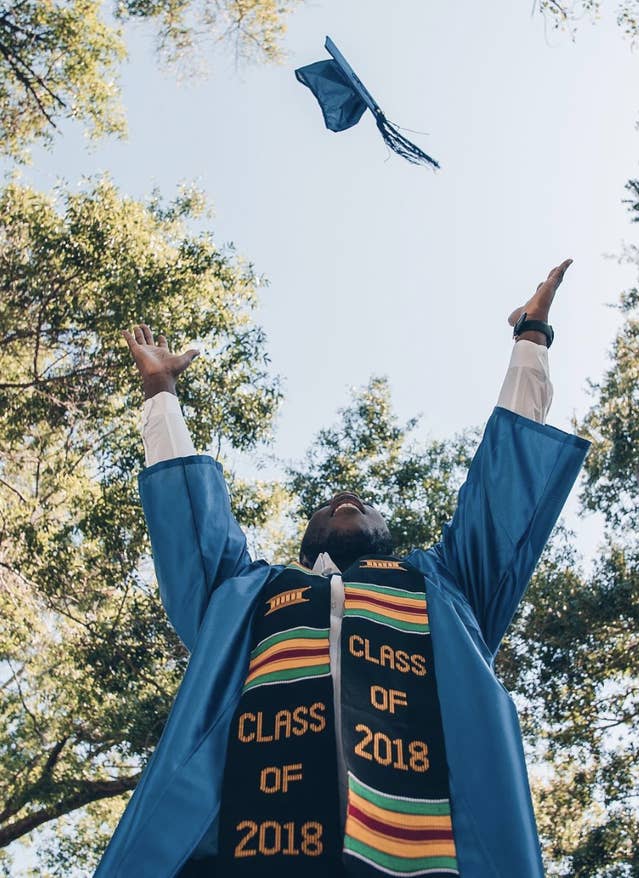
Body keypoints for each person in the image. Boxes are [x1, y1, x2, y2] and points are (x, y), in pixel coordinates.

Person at [95, 259, 590, 877]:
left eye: (359, 505)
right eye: (329, 506)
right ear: (307, 542)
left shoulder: (445, 585)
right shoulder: (246, 595)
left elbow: (501, 495)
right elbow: (189, 520)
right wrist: (161, 394)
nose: (343, 501)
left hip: (427, 853)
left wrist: (530, 342)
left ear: (389, 535)